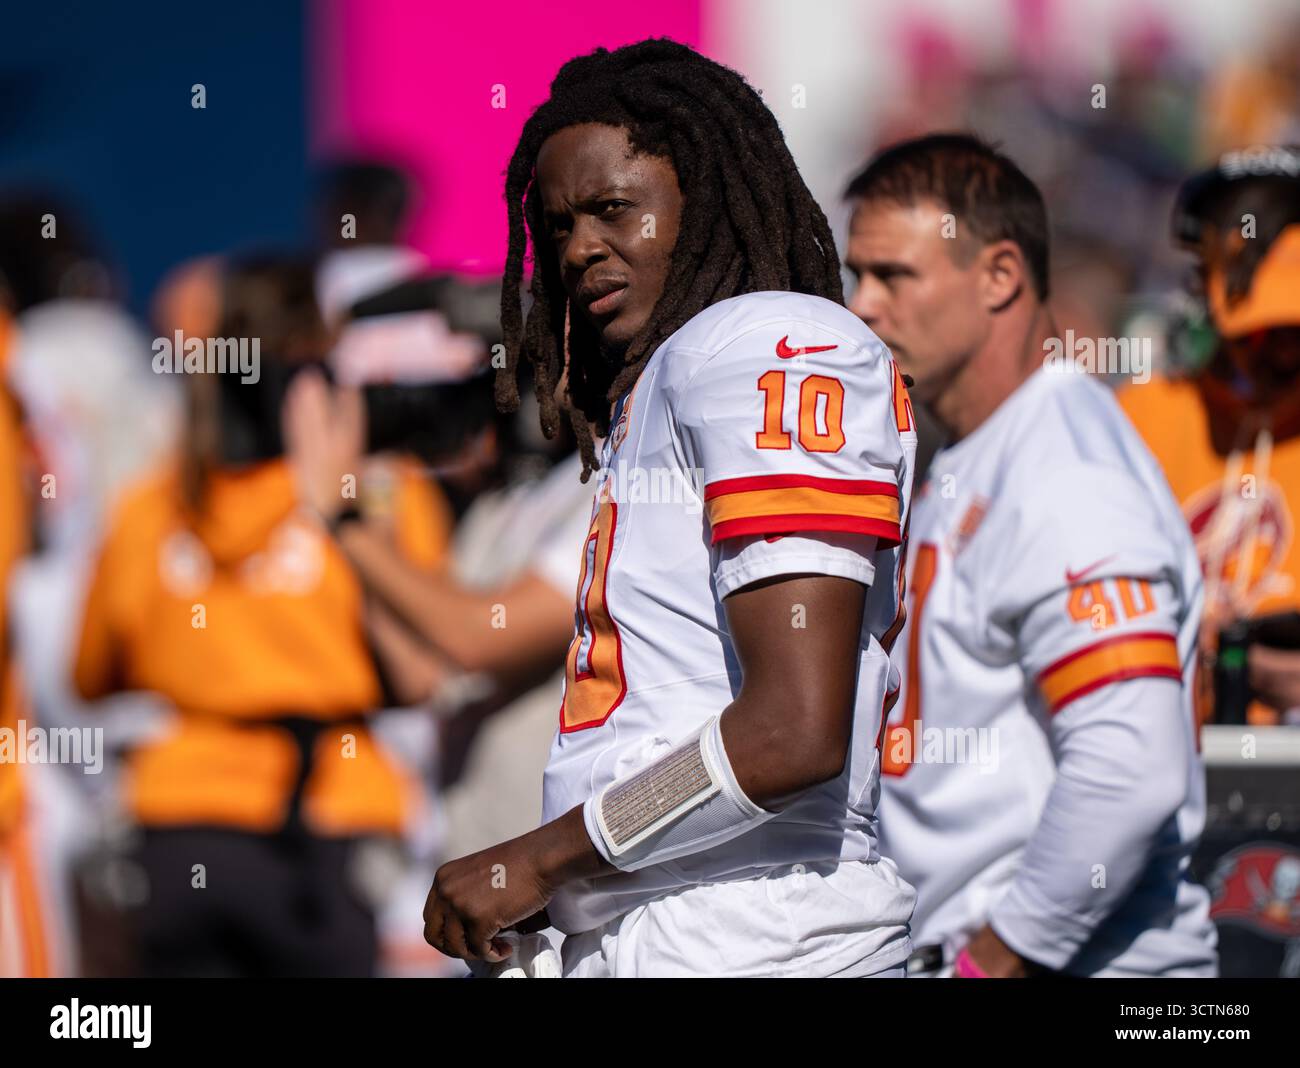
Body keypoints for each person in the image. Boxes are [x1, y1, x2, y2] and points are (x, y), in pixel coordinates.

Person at [420, 38, 918, 978]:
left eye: (614, 209)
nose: (577, 249)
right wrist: (573, 894)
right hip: (688, 931)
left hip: (762, 941)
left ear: (708, 200)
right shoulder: (669, 383)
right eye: (559, 224)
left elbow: (794, 730)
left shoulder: (767, 340)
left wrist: (540, 861)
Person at [844, 134, 1217, 977]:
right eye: (856, 275)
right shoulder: (977, 450)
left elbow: (1129, 766)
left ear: (1000, 275)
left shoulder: (1064, 465)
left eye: (892, 275)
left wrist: (992, 962)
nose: (862, 305)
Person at [72, 254, 450, 976]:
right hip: (332, 830)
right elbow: (424, 665)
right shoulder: (375, 493)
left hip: (177, 828)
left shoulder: (150, 508)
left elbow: (89, 672)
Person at [1118, 145, 1300, 725]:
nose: (1270, 352)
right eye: (1254, 332)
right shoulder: (1145, 414)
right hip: (1167, 762)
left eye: (1289, 333)